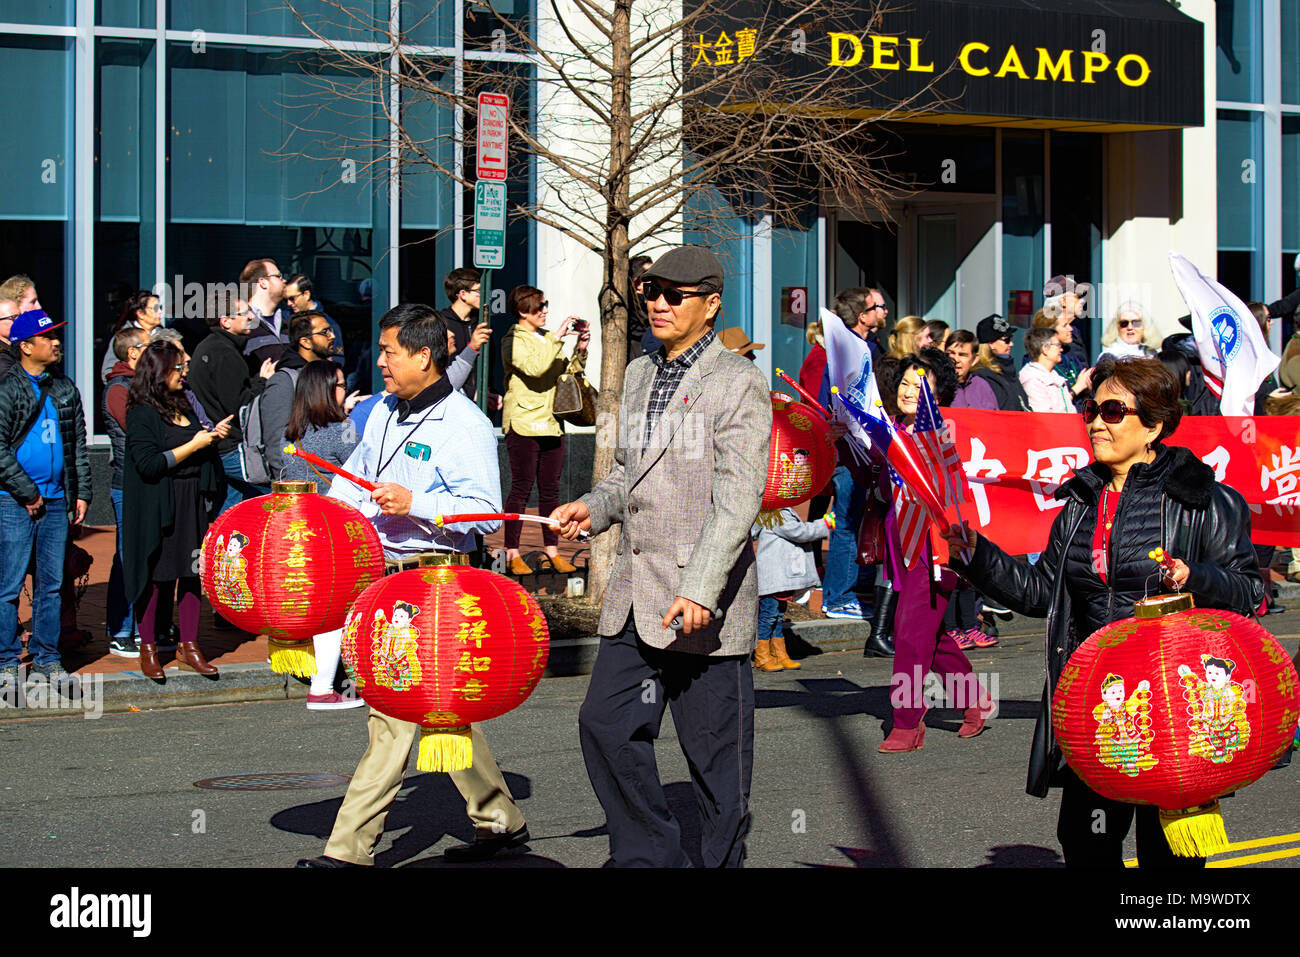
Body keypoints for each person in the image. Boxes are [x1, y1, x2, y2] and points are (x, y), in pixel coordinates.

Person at [942, 357, 1263, 867]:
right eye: (1091, 408)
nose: (1095, 422)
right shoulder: (1080, 500)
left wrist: (1193, 577)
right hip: (1098, 701)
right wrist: (975, 555)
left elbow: (1248, 591)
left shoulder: (1204, 500)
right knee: (1086, 839)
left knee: (1169, 856)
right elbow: (1043, 593)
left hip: (1175, 705)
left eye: (1113, 411)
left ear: (1154, 424)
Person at [552, 245, 771, 868]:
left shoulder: (739, 382)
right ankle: (649, 856)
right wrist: (591, 510)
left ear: (711, 303)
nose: (658, 303)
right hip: (635, 595)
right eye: (652, 292)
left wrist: (701, 588)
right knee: (605, 724)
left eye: (676, 295)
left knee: (716, 769)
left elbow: (736, 504)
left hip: (705, 606)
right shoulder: (642, 373)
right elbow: (627, 476)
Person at [297, 303, 528, 867]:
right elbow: (356, 486)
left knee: (392, 712)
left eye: (390, 353)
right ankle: (501, 821)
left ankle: (346, 852)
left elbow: (486, 513)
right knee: (441, 709)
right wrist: (321, 524)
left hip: (438, 587)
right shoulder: (383, 412)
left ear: (425, 357)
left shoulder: (466, 424)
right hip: (385, 585)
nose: (379, 362)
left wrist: (416, 503)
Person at [874, 348, 994, 753]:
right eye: (905, 382)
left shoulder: (948, 431)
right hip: (902, 541)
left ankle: (907, 720)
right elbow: (873, 477)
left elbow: (959, 489)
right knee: (930, 634)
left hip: (936, 544)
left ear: (937, 389)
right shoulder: (890, 427)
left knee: (909, 634)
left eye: (920, 383)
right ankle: (974, 699)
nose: (910, 390)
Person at [122, 342, 229, 681]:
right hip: (161, 504)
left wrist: (210, 438)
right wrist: (194, 445)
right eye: (177, 367)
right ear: (159, 371)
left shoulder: (184, 401)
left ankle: (189, 646)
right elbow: (149, 463)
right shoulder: (142, 412)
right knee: (157, 576)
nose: (184, 373)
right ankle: (149, 647)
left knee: (190, 574)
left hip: (192, 500)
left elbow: (196, 445)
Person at [0, 309, 91, 690]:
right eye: (48, 336)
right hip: (14, 503)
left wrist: (82, 492)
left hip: (57, 502)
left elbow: (77, 447)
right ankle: (5, 661)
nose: (56, 342)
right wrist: (27, 492)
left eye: (57, 335)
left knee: (52, 586)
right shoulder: (9, 389)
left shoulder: (65, 388)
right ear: (25, 346)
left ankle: (47, 659)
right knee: (9, 585)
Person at [281, 360, 365, 709]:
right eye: (341, 385)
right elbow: (365, 469)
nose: (345, 391)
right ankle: (328, 685)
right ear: (328, 391)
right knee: (341, 609)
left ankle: (321, 679)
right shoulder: (341, 429)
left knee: (320, 606)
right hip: (336, 530)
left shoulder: (291, 432)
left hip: (301, 530)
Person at [499, 285, 589, 577]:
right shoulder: (512, 340)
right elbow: (535, 369)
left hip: (551, 422)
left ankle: (552, 551)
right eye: (539, 307)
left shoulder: (550, 340)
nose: (545, 311)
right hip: (523, 422)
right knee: (522, 488)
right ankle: (512, 552)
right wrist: (559, 339)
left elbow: (566, 375)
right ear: (523, 311)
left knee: (551, 490)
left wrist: (581, 350)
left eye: (546, 305)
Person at [188, 292, 278, 513]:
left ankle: (223, 545)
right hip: (231, 445)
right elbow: (240, 406)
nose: (251, 317)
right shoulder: (224, 353)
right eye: (244, 313)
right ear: (225, 321)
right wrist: (262, 381)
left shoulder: (214, 347)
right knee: (272, 495)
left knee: (234, 504)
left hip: (221, 443)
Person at [103, 326, 152, 656]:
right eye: (148, 346)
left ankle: (142, 626)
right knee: (126, 557)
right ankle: (121, 630)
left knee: (143, 556)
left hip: (146, 483)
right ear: (132, 353)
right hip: (127, 485)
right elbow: (139, 433)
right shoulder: (118, 389)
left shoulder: (140, 386)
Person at [260, 311, 337, 482]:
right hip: (297, 487)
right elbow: (275, 443)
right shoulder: (284, 381)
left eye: (330, 330)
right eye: (325, 332)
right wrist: (289, 485)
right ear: (305, 342)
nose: (332, 336)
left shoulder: (326, 374)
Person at [752, 509, 832, 672]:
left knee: (778, 616)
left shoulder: (774, 512)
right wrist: (823, 524)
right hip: (774, 577)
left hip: (779, 578)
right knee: (769, 616)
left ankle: (779, 654)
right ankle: (762, 655)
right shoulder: (776, 514)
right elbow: (799, 532)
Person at [436, 267, 489, 400]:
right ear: (463, 294)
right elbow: (441, 370)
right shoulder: (442, 324)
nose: (483, 295)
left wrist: (488, 392)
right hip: (454, 400)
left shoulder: (480, 322)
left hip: (481, 401)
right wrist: (472, 393)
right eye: (478, 291)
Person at [968, 313, 1032, 412]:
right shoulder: (982, 376)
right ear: (991, 343)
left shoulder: (1008, 371)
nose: (1011, 344)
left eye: (1011, 338)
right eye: (1007, 340)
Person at [1033, 303, 1093, 405]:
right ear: (1050, 331)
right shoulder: (1038, 366)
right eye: (1065, 325)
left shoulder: (1070, 355)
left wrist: (1088, 385)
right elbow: (1051, 408)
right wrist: (1077, 388)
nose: (1071, 329)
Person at [100, 290, 164, 383]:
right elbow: (108, 371)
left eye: (160, 307)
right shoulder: (124, 337)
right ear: (140, 313)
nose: (160, 312)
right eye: (155, 308)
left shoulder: (166, 336)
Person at [240, 259, 291, 371]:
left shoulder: (289, 322)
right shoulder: (241, 324)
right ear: (263, 282)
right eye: (279, 276)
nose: (284, 280)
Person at [285, 274, 343, 366]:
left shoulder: (329, 324)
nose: (288, 303)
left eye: (292, 298)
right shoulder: (284, 318)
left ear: (307, 295)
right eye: (286, 300)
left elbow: (338, 358)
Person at [1020, 326, 1074, 413]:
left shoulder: (1054, 375)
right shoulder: (1032, 379)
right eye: (1058, 345)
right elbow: (1044, 417)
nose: (1061, 349)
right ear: (1045, 348)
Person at [945, 330, 998, 410]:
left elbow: (995, 418)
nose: (956, 359)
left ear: (974, 360)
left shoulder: (982, 386)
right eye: (951, 353)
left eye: (962, 355)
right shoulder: (937, 387)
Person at [0, 298, 20, 379]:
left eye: (20, 316)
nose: (20, 321)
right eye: (13, 317)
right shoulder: (2, 360)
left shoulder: (16, 347)